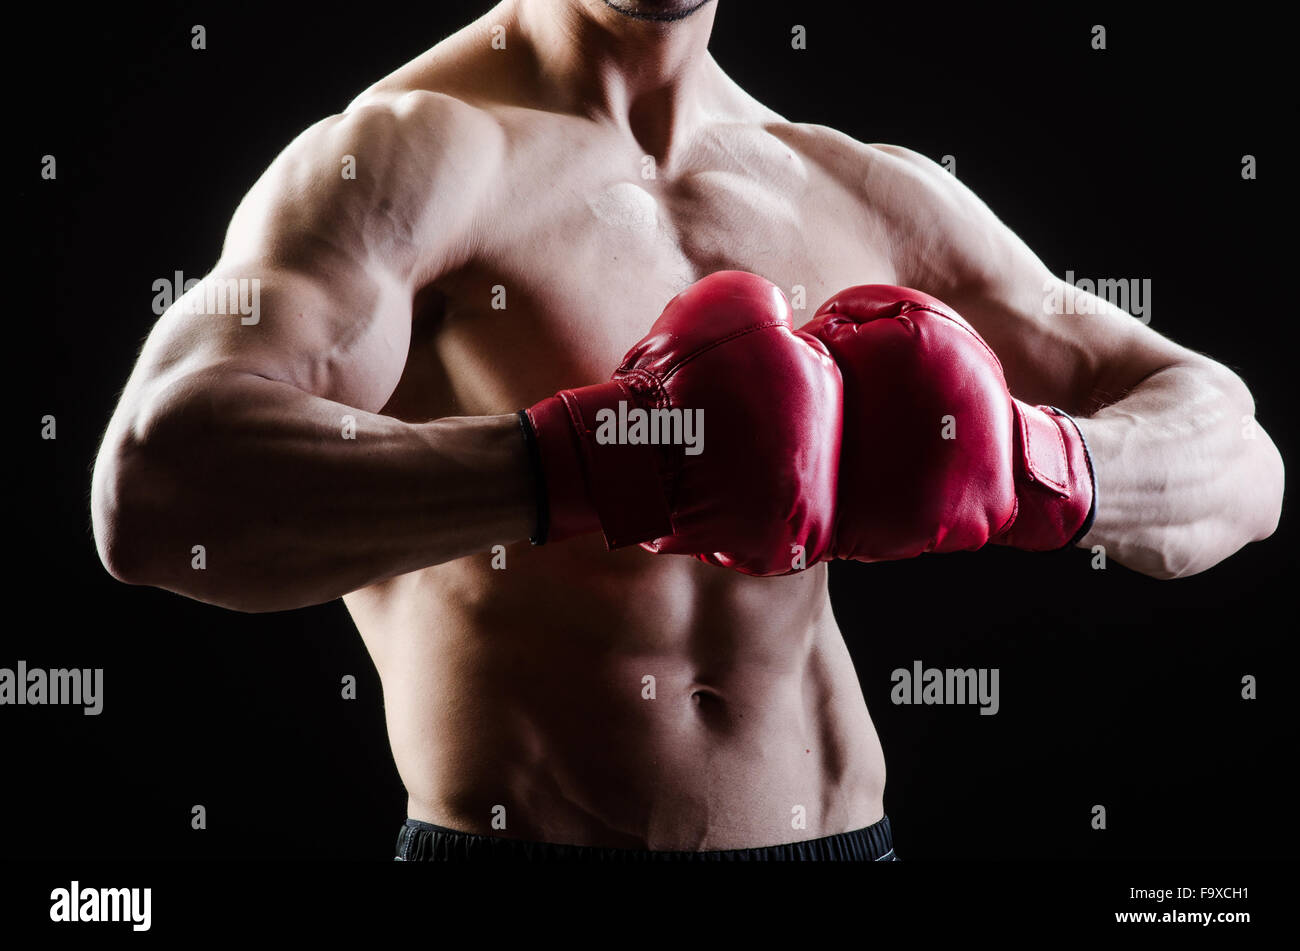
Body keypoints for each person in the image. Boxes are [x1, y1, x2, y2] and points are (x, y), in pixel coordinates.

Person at [90, 0, 1283, 861]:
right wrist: (578, 463)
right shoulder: (411, 153)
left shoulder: (851, 184)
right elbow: (158, 487)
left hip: (847, 845)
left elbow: (1240, 459)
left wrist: (1048, 463)